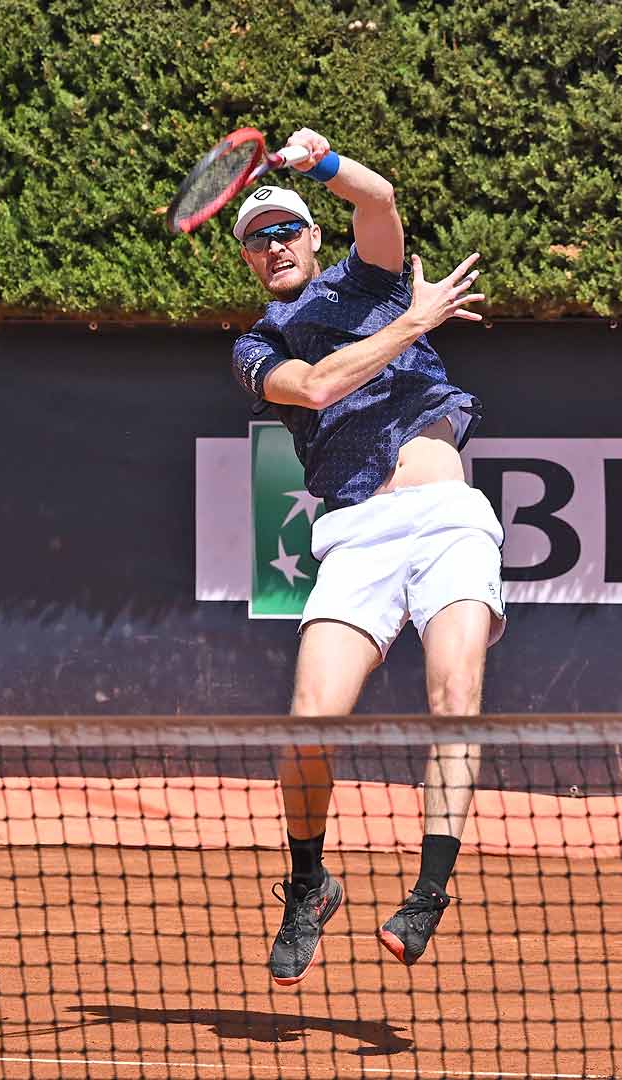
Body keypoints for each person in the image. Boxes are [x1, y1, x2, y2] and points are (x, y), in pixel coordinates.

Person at [225, 130, 497, 985]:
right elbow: (314, 388)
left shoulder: (369, 278)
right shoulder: (255, 349)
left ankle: (427, 893)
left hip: (445, 513)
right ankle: (309, 884)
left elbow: (379, 204)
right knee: (310, 723)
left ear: (311, 237)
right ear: (247, 261)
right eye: (255, 238)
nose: (271, 246)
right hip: (353, 533)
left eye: (284, 230)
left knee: (455, 695)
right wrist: (416, 325)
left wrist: (325, 165)